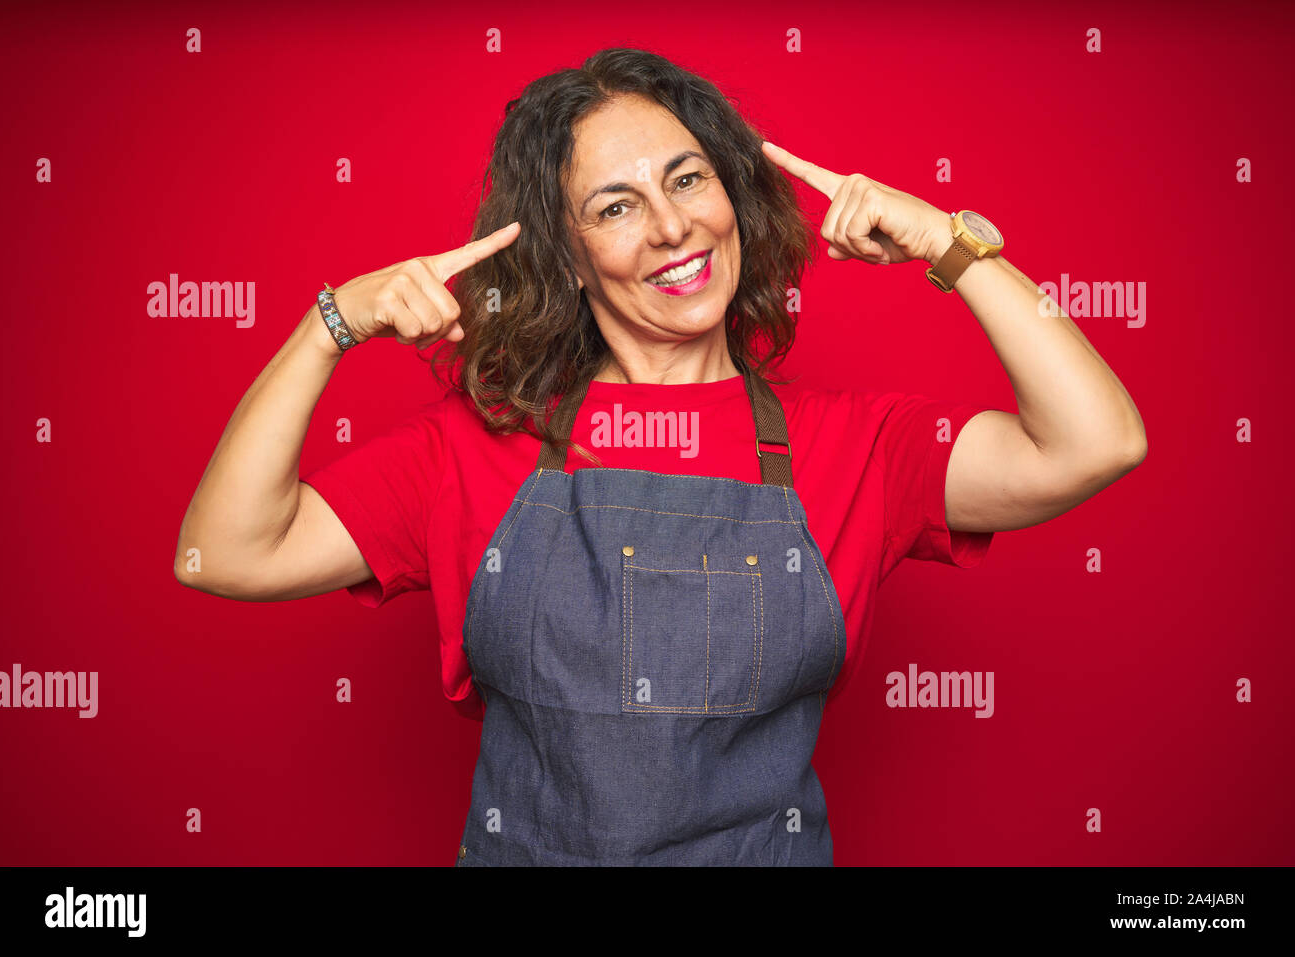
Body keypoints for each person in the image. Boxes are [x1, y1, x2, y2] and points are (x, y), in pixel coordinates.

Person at [173, 48, 1147, 866]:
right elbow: (223, 555)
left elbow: (1096, 442)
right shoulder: (469, 447)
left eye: (687, 179)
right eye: (615, 206)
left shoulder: (854, 446)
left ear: (730, 194)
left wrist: (950, 245)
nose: (672, 226)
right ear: (567, 250)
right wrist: (328, 325)